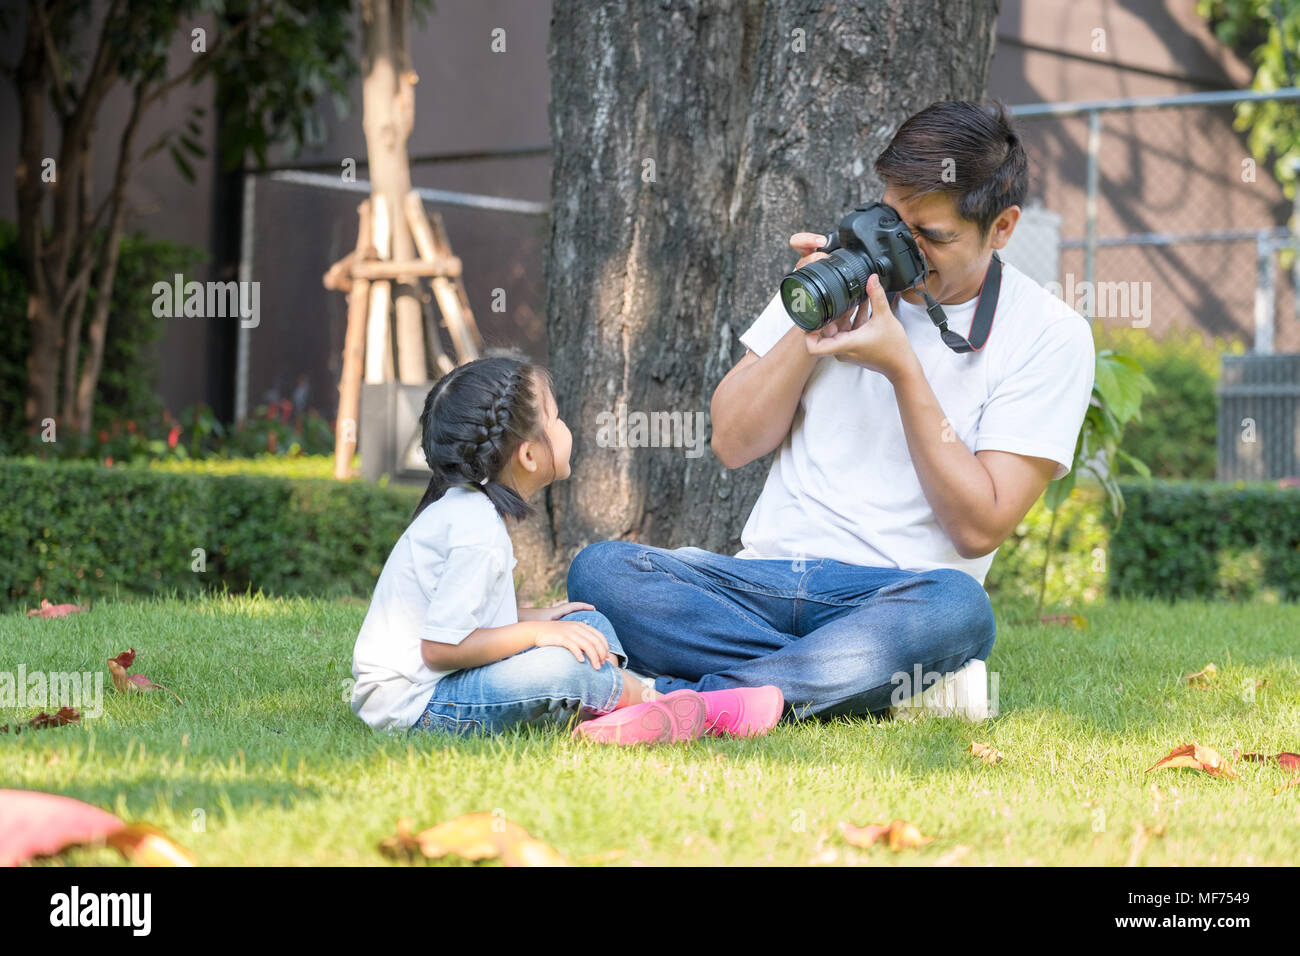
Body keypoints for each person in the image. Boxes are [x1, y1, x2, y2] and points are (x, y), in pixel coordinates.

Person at [568, 101, 1096, 723]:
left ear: (1002, 228)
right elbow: (731, 442)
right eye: (893, 221)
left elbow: (979, 528)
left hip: (893, 596)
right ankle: (859, 687)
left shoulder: (1049, 333)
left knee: (959, 611)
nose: (906, 250)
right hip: (759, 581)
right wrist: (809, 321)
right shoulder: (844, 270)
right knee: (602, 570)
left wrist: (903, 368)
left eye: (932, 235)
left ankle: (690, 697)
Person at [349, 354, 783, 744]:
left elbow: (460, 616)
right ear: (529, 457)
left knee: (585, 619)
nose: (564, 426)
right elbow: (440, 649)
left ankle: (606, 711)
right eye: (555, 419)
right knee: (566, 667)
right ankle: (688, 706)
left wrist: (538, 618)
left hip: (446, 679)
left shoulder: (471, 511)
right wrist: (539, 633)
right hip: (420, 706)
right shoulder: (473, 527)